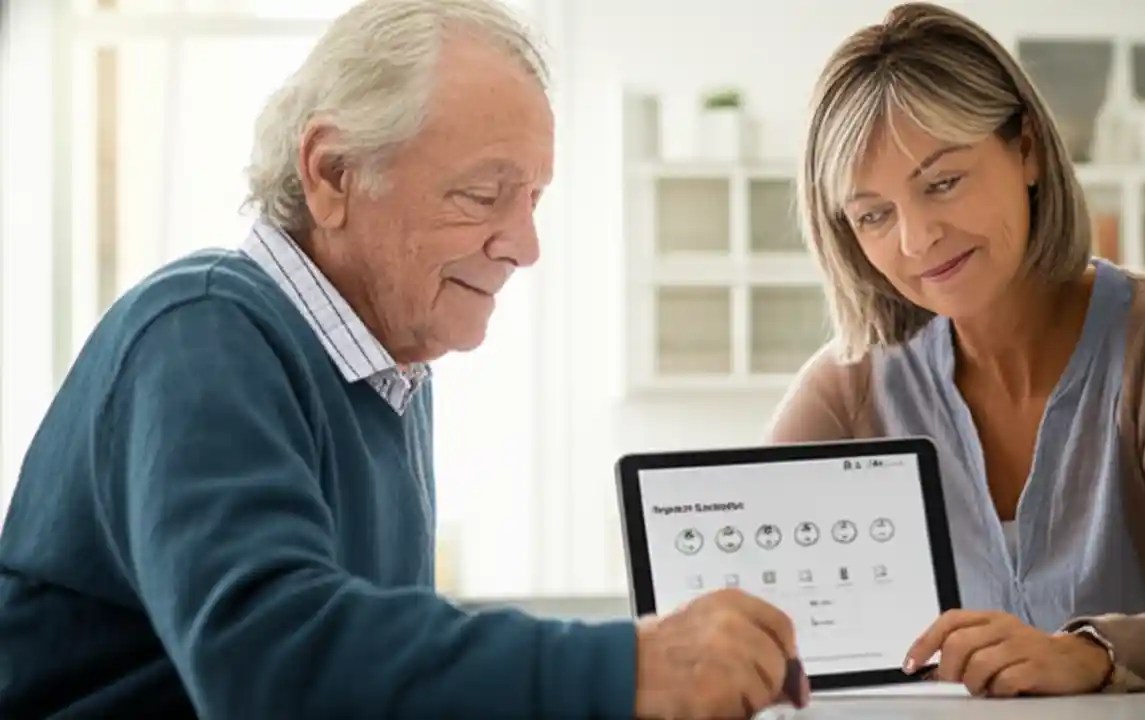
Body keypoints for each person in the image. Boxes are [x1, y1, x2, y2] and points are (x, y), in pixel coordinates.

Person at [0, 1, 808, 718]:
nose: (525, 245)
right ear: (333, 174)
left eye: (533, 199)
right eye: (482, 195)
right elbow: (271, 663)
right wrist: (628, 667)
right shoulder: (204, 333)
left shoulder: (389, 372)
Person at [770, 1, 1145, 698]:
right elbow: (749, 619)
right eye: (874, 215)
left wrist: (1089, 652)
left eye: (943, 183)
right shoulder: (845, 388)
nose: (917, 240)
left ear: (1028, 149)